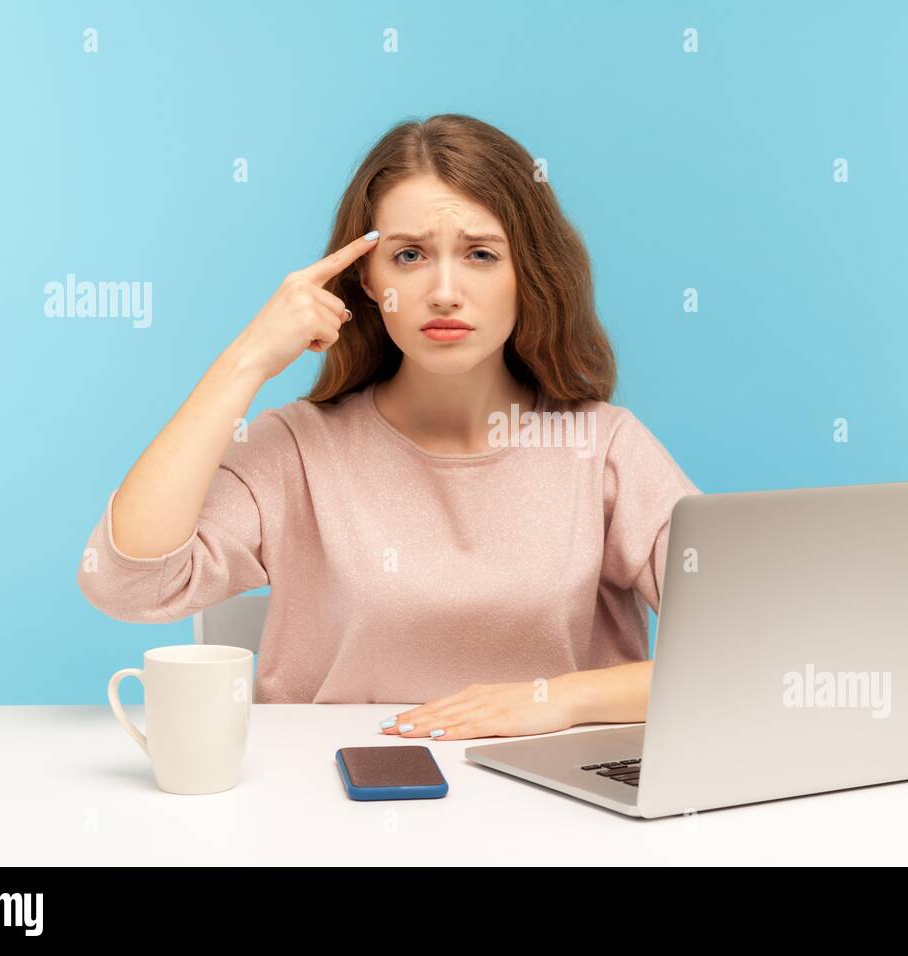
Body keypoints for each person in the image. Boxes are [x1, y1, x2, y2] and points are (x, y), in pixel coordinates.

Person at [77, 113, 701, 741]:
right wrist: (248, 359)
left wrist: (560, 699)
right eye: (409, 256)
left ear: (528, 275)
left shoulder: (603, 448)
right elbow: (128, 585)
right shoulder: (297, 449)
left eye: (481, 255)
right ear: (369, 280)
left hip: (556, 806)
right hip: (330, 799)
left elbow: (753, 645)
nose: (445, 292)